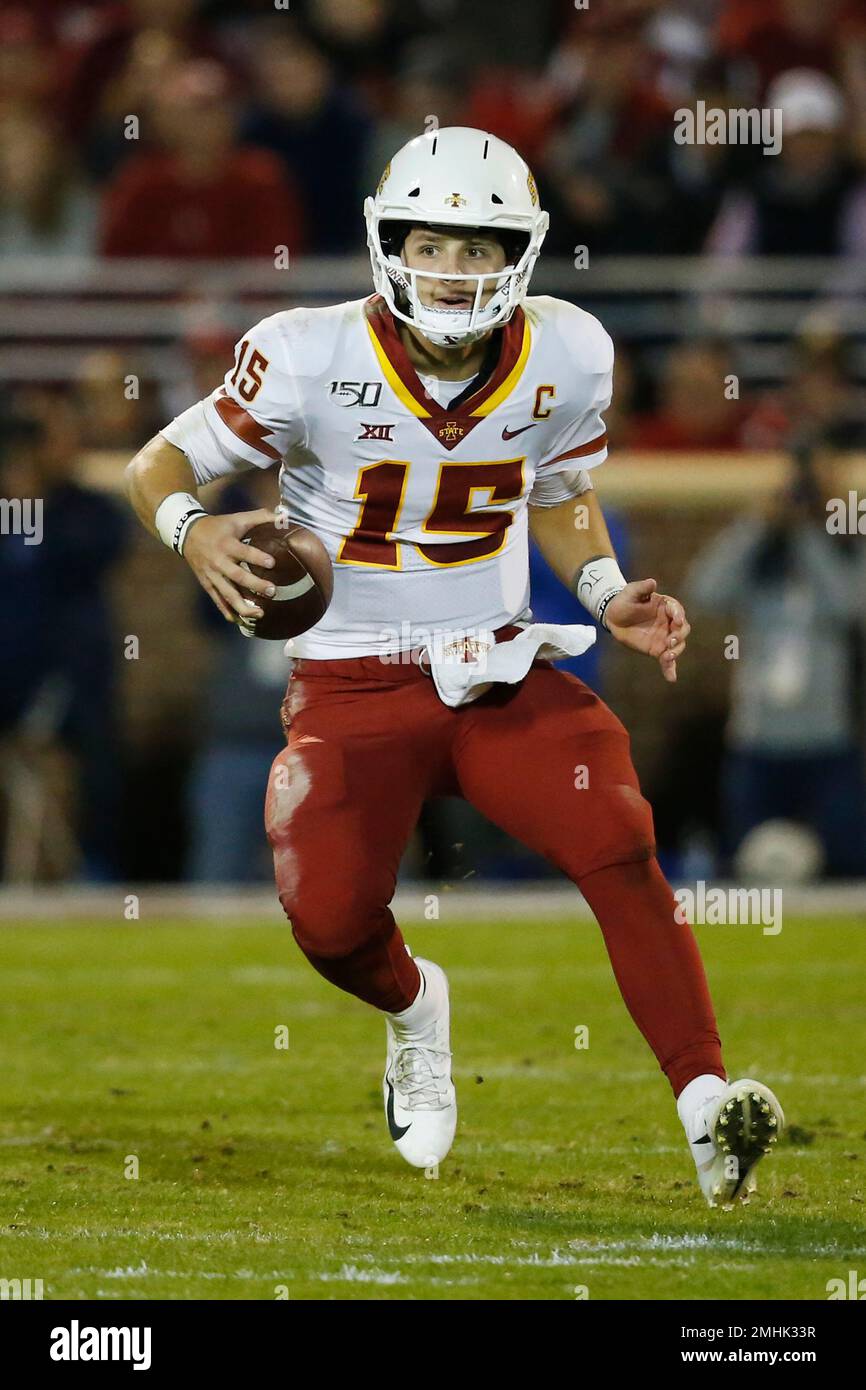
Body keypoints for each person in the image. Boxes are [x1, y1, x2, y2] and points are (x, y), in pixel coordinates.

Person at [125, 126, 784, 1208]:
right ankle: (412, 1007)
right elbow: (162, 462)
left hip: (493, 669)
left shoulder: (567, 351)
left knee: (617, 839)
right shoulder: (305, 349)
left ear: (516, 258)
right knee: (330, 922)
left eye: (478, 249)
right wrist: (193, 530)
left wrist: (604, 590)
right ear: (390, 242)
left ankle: (705, 1104)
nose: (451, 268)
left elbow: (559, 495)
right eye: (431, 241)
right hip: (348, 681)